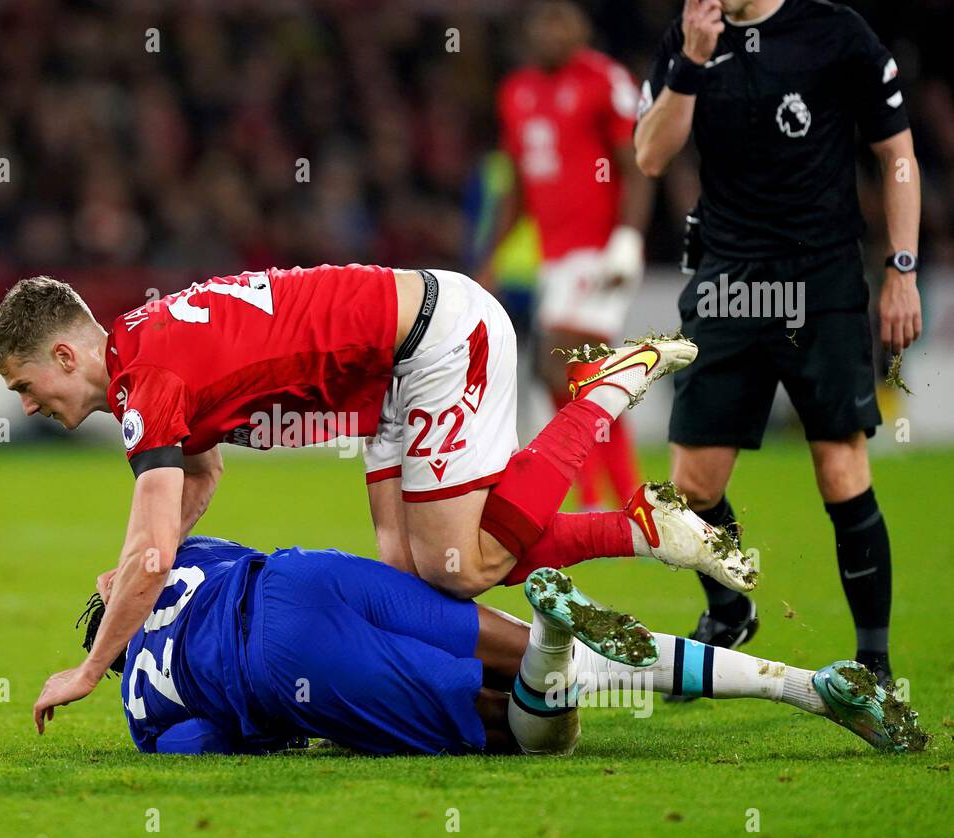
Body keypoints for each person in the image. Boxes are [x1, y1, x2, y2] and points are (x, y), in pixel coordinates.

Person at [0, 266, 756, 714]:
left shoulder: (146, 384)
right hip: (384, 383)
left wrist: (87, 669)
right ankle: (642, 528)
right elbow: (200, 478)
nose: (26, 404)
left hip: (436, 340)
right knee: (417, 575)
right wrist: (142, 567)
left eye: (25, 382)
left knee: (461, 564)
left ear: (68, 355)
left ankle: (602, 395)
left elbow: (151, 551)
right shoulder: (145, 349)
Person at [633, 0, 922, 682]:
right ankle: (729, 608)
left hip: (820, 280)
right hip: (728, 281)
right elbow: (649, 155)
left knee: (841, 471)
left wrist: (901, 266)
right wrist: (692, 62)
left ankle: (874, 666)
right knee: (690, 488)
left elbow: (897, 152)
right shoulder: (690, 34)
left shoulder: (836, 32)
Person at [47, 535, 926, 757]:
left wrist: (282, 724)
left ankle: (552, 643)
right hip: (302, 576)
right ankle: (806, 685)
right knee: (538, 655)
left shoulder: (136, 705)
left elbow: (216, 742)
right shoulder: (172, 563)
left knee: (517, 729)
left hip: (285, 663)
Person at [485, 0, 654, 509]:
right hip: (556, 255)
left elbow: (634, 163)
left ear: (580, 28)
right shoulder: (516, 92)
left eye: (561, 20)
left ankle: (602, 494)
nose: (550, 31)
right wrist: (490, 257)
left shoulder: (604, 79)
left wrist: (628, 238)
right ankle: (620, 496)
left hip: (601, 250)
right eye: (542, 22)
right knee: (578, 373)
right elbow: (517, 185)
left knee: (560, 361)